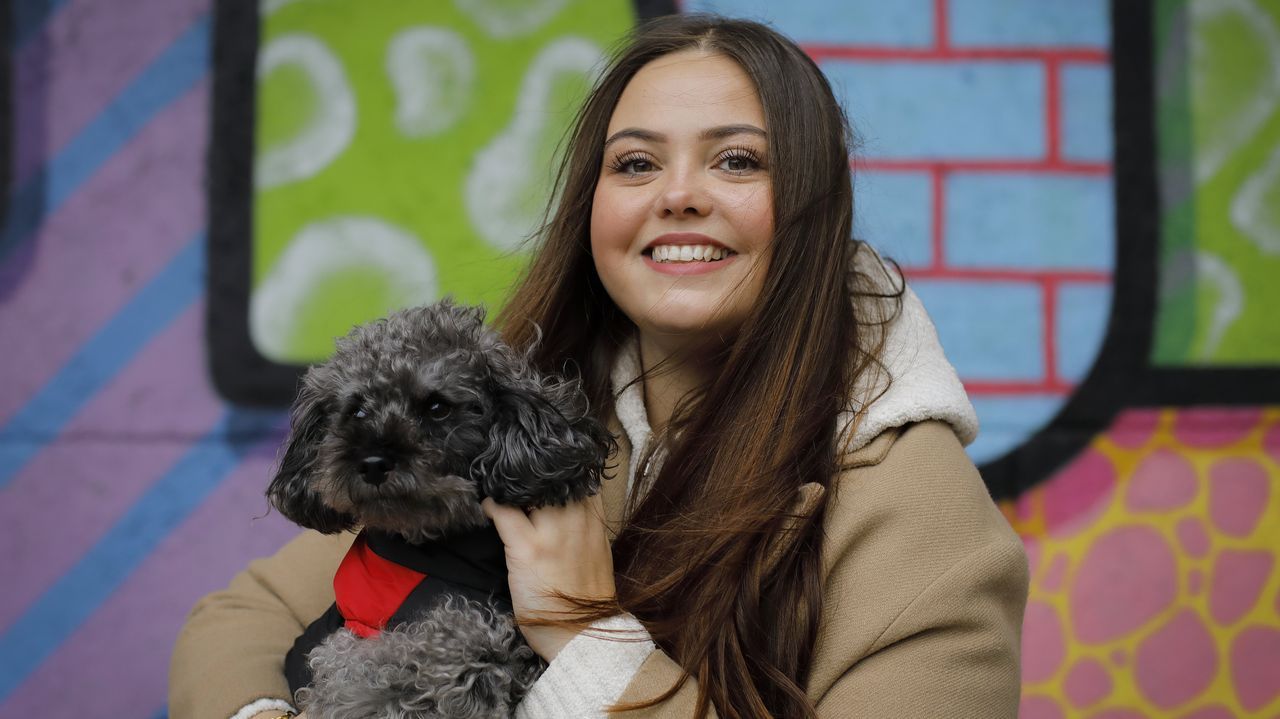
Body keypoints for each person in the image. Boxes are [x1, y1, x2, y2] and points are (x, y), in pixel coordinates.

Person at [170, 13, 1029, 719]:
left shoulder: (918, 512)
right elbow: (238, 620)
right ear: (594, 204)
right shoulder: (509, 420)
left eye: (737, 159)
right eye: (636, 162)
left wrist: (584, 634)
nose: (677, 193)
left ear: (814, 205)